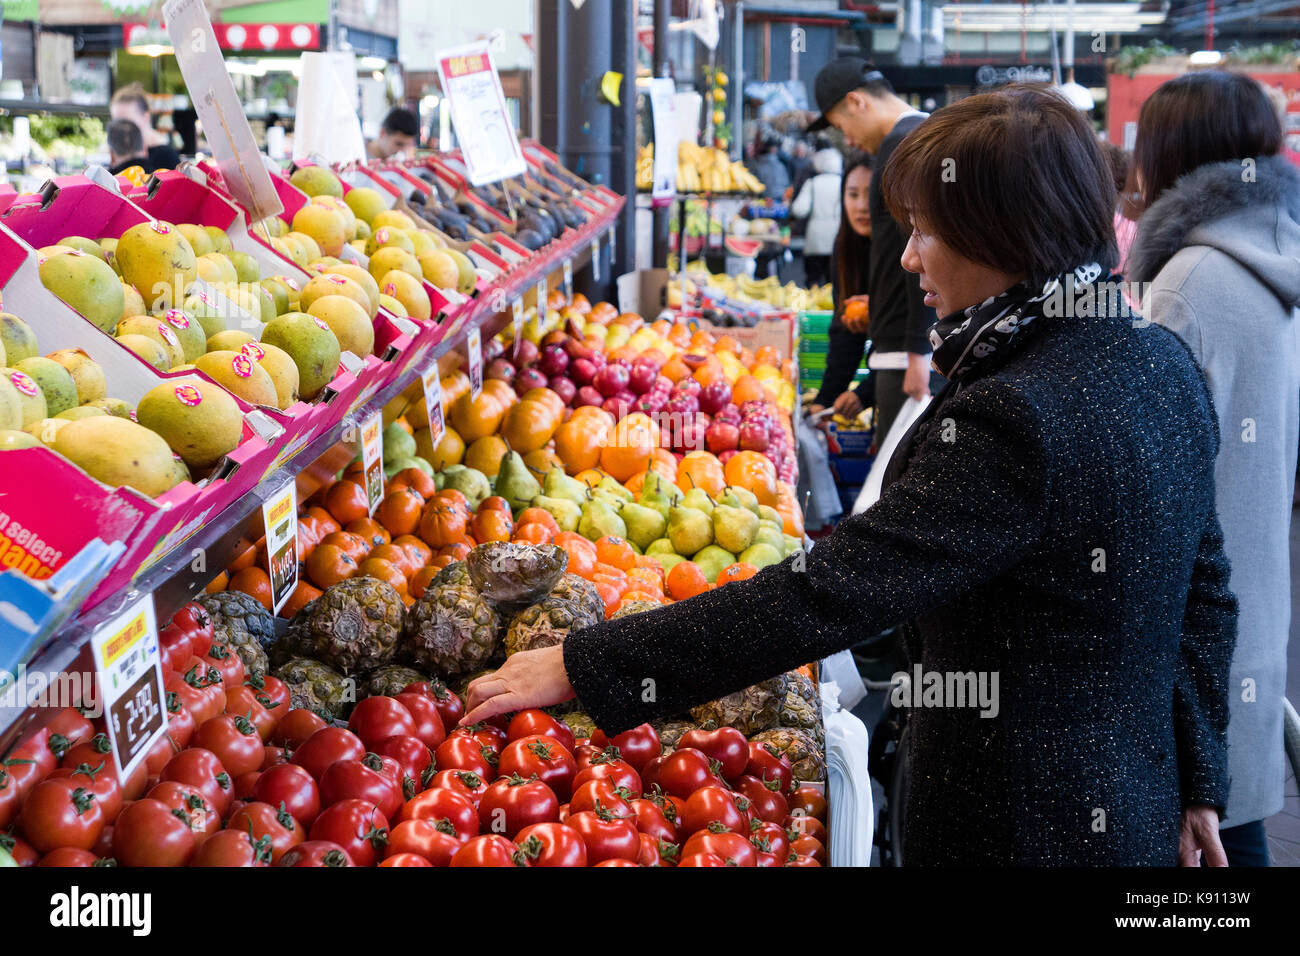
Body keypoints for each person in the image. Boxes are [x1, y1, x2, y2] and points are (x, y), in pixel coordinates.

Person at [461, 86, 1238, 867]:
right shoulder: (1156, 359)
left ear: (1001, 237)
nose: (905, 259)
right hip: (1137, 801)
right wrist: (1200, 779)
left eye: (925, 234)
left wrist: (585, 663)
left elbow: (828, 592)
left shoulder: (1021, 412)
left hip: (1016, 820)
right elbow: (1204, 590)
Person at [1127, 70, 1300, 868]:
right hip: (1256, 595)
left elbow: (1158, 476)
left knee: (1206, 844)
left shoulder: (1191, 281)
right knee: (1234, 823)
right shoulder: (1273, 262)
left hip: (1195, 611)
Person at [806, 57, 938, 445]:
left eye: (841, 125)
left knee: (898, 480)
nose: (846, 140)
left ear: (857, 102)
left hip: (904, 356)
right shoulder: (925, 135)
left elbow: (921, 253)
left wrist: (917, 352)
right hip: (906, 349)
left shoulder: (900, 145)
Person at [808, 152, 873, 418]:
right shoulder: (846, 249)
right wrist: (825, 401)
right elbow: (845, 333)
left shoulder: (902, 251)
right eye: (853, 194)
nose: (861, 206)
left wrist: (867, 392)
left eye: (871, 195)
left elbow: (913, 339)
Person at [789, 146, 842, 287]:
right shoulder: (843, 183)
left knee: (813, 282)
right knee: (836, 283)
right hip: (837, 237)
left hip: (815, 240)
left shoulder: (812, 183)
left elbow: (799, 209)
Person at [110, 84, 182, 170]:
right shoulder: (116, 150)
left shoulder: (166, 156)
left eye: (128, 123)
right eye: (116, 123)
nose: (120, 128)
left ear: (146, 118)